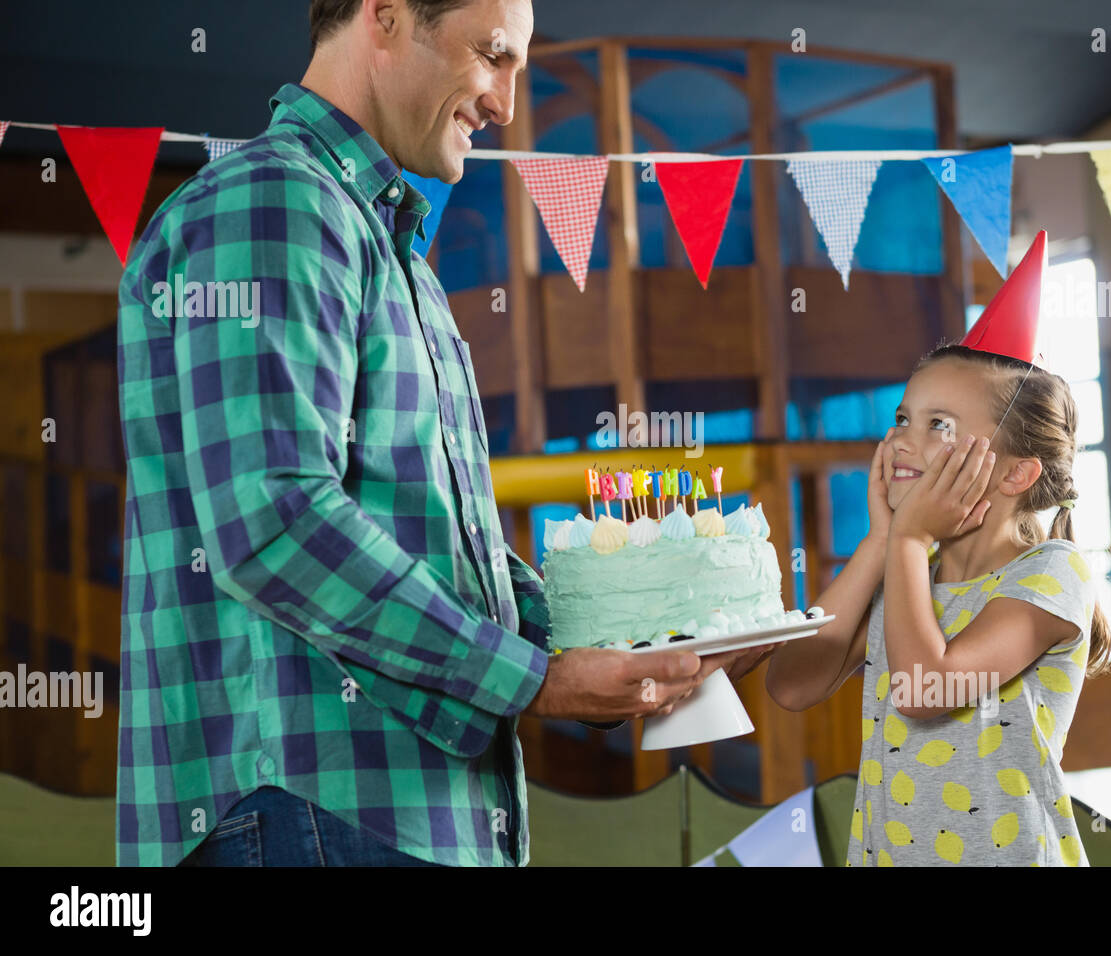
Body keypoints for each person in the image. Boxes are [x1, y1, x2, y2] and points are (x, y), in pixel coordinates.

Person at [116, 0, 765, 867]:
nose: (506, 104)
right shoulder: (273, 204)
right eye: (493, 55)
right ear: (385, 19)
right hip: (309, 806)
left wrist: (607, 639)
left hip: (393, 812)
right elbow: (273, 521)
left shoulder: (391, 252)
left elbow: (442, 550)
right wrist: (535, 680)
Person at [766, 232, 1111, 866]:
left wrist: (908, 539)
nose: (901, 440)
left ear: (1015, 475)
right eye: (903, 418)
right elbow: (791, 684)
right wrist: (882, 542)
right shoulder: (905, 572)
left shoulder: (1052, 573)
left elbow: (925, 690)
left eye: (938, 426)